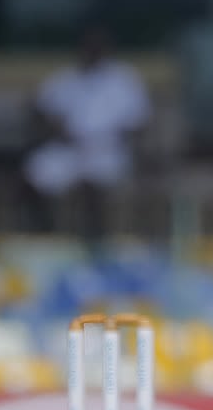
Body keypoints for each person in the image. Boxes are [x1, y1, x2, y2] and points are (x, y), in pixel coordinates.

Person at [22, 24, 152, 246]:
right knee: (33, 174)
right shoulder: (66, 79)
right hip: (69, 149)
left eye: (97, 47)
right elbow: (39, 111)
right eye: (88, 47)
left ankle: (95, 241)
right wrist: (54, 127)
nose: (92, 51)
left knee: (93, 183)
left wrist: (118, 138)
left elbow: (139, 122)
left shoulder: (123, 79)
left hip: (107, 150)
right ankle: (45, 233)